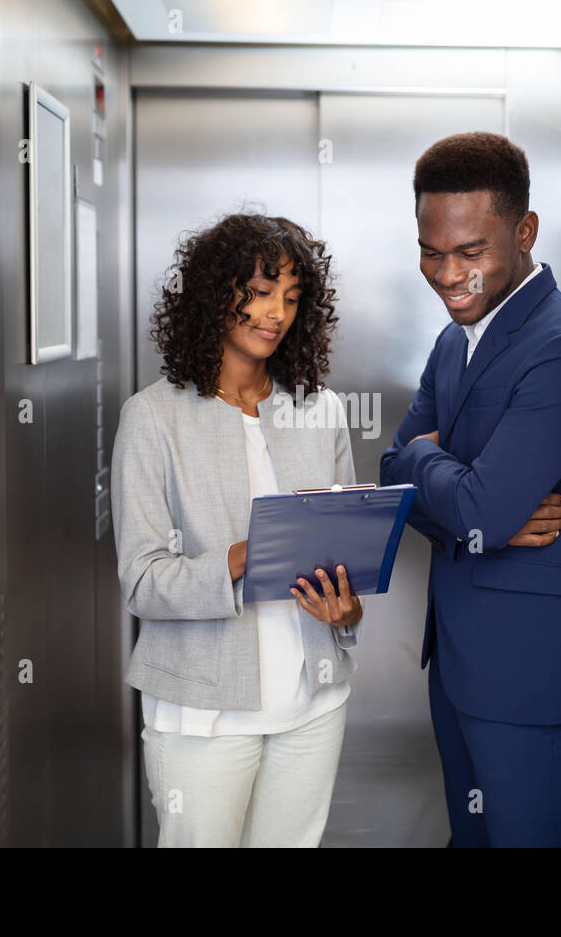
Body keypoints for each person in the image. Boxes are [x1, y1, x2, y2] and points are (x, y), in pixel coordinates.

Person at [380, 131, 561, 847]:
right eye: (431, 250)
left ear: (524, 232)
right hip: (457, 662)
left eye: (471, 252)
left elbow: (470, 500)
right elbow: (392, 472)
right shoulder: (454, 342)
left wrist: (445, 480)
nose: (449, 274)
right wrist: (466, 497)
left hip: (531, 674)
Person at [110, 213, 365, 847]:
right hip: (204, 714)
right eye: (258, 290)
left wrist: (347, 611)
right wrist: (242, 557)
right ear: (214, 294)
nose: (274, 312)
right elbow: (142, 581)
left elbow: (347, 556)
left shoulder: (321, 409)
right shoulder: (151, 419)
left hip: (313, 703)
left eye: (290, 298)